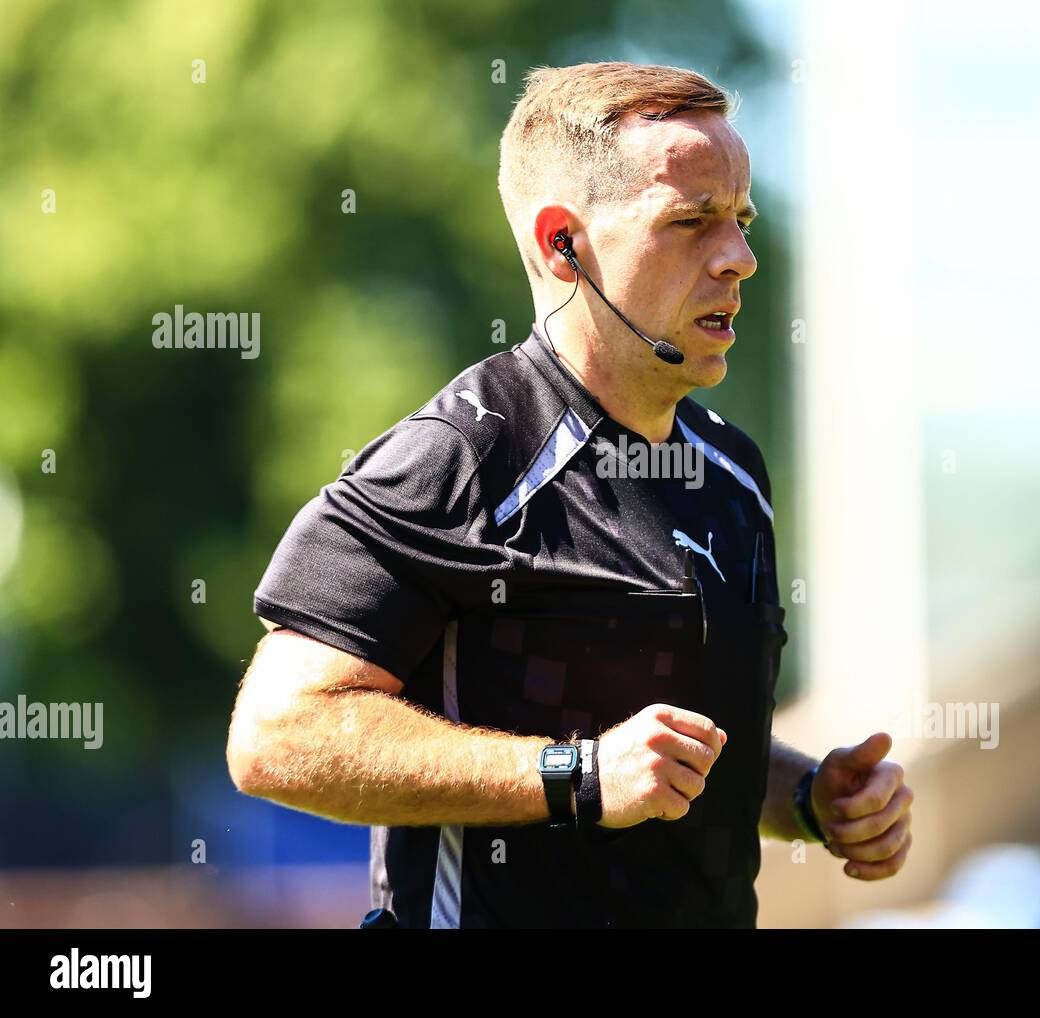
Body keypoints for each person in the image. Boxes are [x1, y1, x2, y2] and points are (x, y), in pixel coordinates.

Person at [225, 60, 913, 929]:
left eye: (739, 220)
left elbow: (671, 763)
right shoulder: (460, 456)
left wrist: (811, 798)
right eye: (691, 221)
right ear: (565, 244)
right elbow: (278, 738)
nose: (738, 258)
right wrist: (575, 777)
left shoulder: (736, 477)